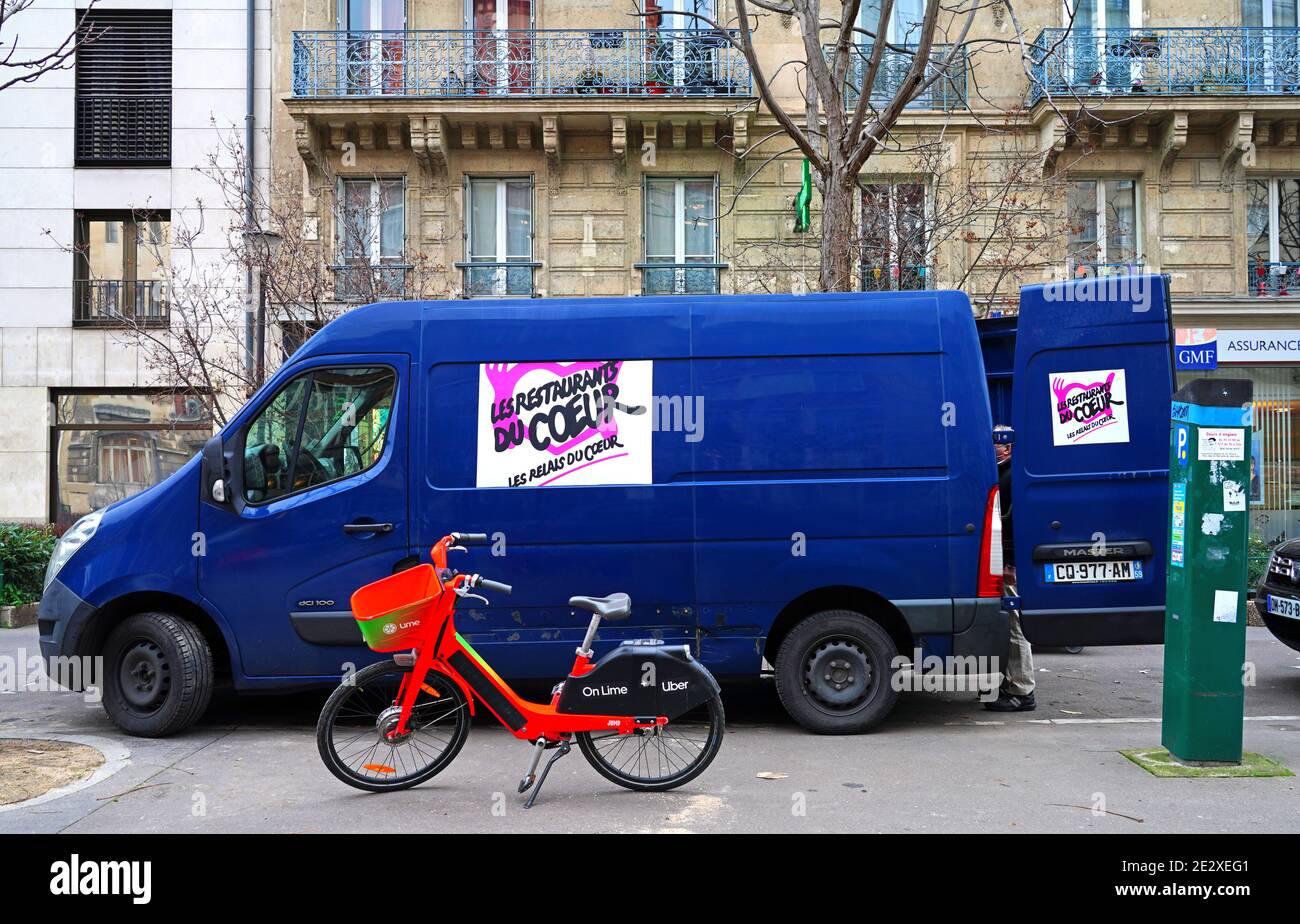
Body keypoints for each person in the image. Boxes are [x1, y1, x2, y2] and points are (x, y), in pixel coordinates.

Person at [986, 424, 1035, 712]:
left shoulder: (1011, 477)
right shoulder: (1007, 473)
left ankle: (1021, 689)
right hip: (1004, 561)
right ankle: (1011, 683)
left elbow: (1014, 526)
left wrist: (1011, 564)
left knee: (1016, 626)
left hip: (1009, 564)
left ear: (1008, 447)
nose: (991, 446)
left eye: (996, 441)